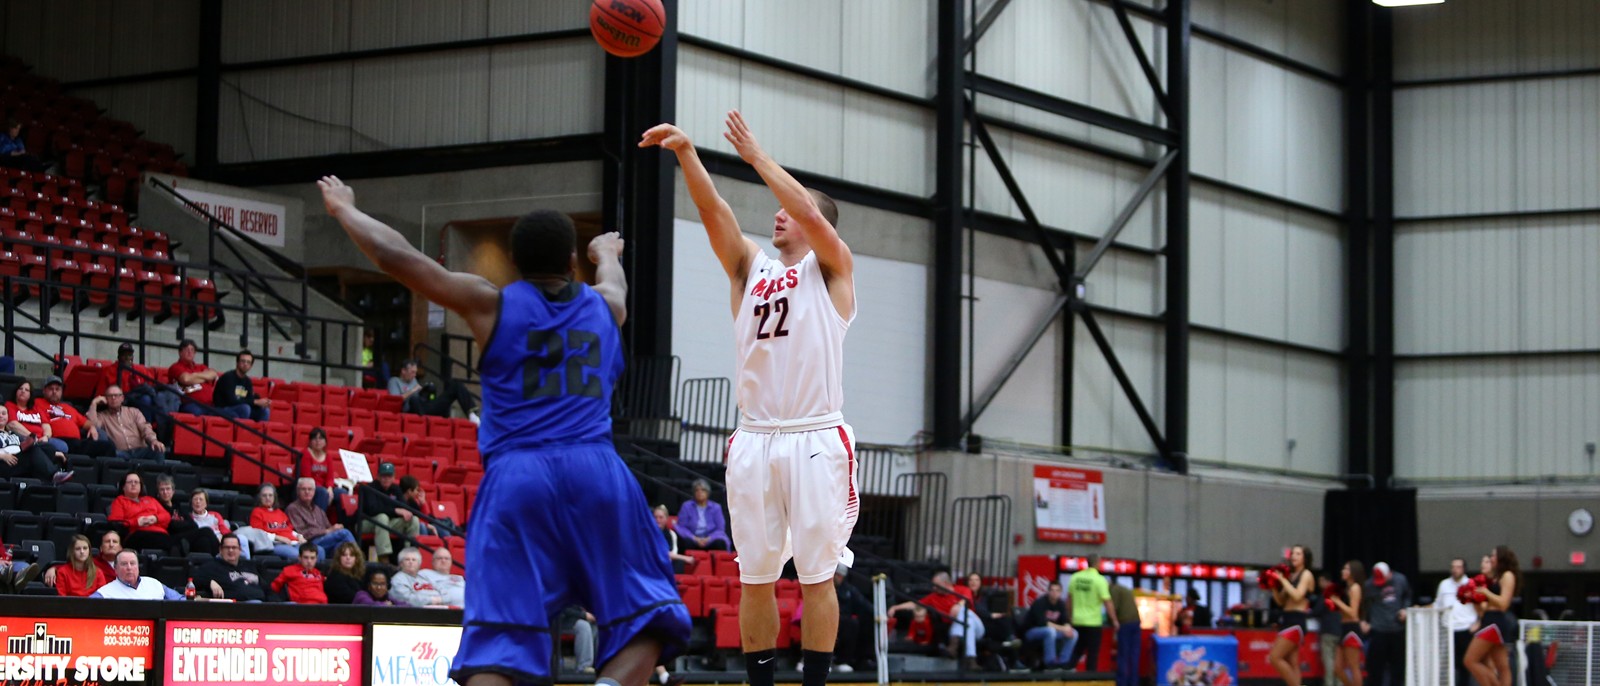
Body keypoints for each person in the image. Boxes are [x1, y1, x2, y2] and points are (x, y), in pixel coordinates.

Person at [320, 174, 689, 685]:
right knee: (648, 614)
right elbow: (614, 283)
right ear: (570, 264)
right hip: (596, 470)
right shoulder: (606, 308)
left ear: (514, 265)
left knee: (498, 642)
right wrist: (607, 252)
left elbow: (398, 257)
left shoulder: (491, 303)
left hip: (518, 476)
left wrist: (344, 209)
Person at [642, 111, 858, 686]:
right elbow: (716, 214)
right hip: (754, 436)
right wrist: (689, 154)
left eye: (791, 207)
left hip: (814, 435)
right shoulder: (750, 269)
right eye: (778, 205)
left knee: (816, 577)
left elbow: (810, 212)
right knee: (754, 577)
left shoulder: (833, 269)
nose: (779, 212)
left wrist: (759, 157)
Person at [1464, 546, 1518, 686]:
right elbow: (1484, 608)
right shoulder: (1495, 577)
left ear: (1501, 557)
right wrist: (1474, 599)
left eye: (1493, 556)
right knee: (1502, 666)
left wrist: (1485, 593)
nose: (1491, 558)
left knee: (1470, 660)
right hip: (1489, 619)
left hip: (1495, 622)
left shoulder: (1508, 575)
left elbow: (1504, 603)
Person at [1267, 546, 1314, 686]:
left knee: (1274, 657)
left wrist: (1282, 580)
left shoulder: (1306, 574)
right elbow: (1281, 601)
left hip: (1296, 620)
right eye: (1293, 553)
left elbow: (1297, 595)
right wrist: (1274, 586)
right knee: (1292, 663)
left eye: (1298, 554)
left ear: (1305, 558)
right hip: (1287, 619)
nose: (1294, 556)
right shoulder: (1290, 576)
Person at [39, 375, 116, 457]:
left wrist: (92, 427)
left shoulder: (68, 407)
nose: (54, 392)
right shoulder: (37, 403)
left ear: (61, 392)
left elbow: (86, 422)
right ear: (44, 391)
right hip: (56, 440)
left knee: (108, 447)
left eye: (57, 389)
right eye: (51, 389)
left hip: (77, 443)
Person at [1066, 555, 1119, 671]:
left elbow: (1069, 599)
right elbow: (1107, 602)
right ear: (1098, 563)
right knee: (1092, 653)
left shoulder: (1075, 577)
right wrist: (1114, 621)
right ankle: (1090, 679)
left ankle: (1067, 676)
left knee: (1077, 650)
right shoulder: (1100, 580)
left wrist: (1069, 617)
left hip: (1077, 621)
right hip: (1093, 623)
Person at [1362, 562, 1411, 686]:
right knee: (1375, 669)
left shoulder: (1400, 580)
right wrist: (1364, 620)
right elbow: (1363, 604)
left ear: (1389, 573)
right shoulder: (1369, 585)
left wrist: (1405, 609)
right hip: (1378, 629)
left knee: (1398, 668)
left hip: (1397, 628)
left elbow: (1408, 595)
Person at [359, 462, 420, 563]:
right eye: (383, 476)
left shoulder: (396, 489)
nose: (386, 478)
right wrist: (394, 510)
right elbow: (372, 509)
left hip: (387, 523)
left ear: (393, 477)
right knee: (382, 517)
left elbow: (403, 507)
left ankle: (410, 554)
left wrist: (399, 510)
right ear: (378, 476)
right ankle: (384, 558)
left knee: (414, 520)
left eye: (389, 476)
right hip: (365, 522)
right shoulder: (370, 488)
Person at [87, 385, 166, 461]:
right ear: (105, 399)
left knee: (158, 450)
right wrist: (94, 404)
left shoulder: (133, 411)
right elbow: (92, 425)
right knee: (110, 454)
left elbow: (145, 428)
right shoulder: (102, 416)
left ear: (122, 398)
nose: (113, 398)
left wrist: (153, 440)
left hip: (140, 450)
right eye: (110, 396)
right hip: (120, 453)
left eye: (116, 395)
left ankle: (161, 475)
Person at [286, 477, 357, 558]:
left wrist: (335, 528)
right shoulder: (293, 509)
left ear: (314, 491)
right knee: (344, 533)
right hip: (308, 542)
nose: (307, 492)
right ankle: (359, 560)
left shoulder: (318, 509)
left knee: (341, 545)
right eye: (303, 489)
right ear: (298, 491)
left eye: (310, 489)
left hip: (324, 540)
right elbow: (303, 533)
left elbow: (329, 527)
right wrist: (328, 531)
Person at [0, 405, 72, 483]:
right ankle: (53, 475)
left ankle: (48, 483)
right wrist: (3, 456)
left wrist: (56, 453)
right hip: (4, 463)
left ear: (7, 417)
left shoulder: (13, 434)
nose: (1, 416)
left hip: (18, 460)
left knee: (48, 448)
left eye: (3, 413)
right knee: (34, 450)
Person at [1433, 558, 1477, 686]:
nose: (1455, 570)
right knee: (1448, 664)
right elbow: (1437, 604)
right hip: (1448, 629)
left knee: (1466, 664)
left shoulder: (1471, 584)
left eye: (1458, 567)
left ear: (1463, 569)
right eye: (1453, 567)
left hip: (1466, 628)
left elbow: (1481, 606)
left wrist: (1477, 623)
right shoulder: (1444, 584)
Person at [388, 360, 478, 421]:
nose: (415, 375)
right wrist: (413, 390)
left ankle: (472, 414)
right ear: (403, 371)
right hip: (411, 409)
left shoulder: (414, 381)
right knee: (414, 400)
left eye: (415, 372)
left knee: (456, 386)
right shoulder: (394, 381)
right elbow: (395, 401)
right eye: (412, 372)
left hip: (425, 407)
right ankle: (426, 422)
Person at [154, 475, 217, 555]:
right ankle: (219, 558)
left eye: (168, 489)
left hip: (185, 538)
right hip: (171, 538)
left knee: (204, 542)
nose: (165, 492)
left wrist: (180, 525)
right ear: (158, 492)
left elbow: (193, 525)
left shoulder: (177, 505)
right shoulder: (157, 505)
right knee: (206, 531)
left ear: (173, 491)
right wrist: (184, 525)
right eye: (162, 489)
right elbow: (171, 526)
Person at [110, 472, 173, 552]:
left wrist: (155, 518)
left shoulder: (150, 499)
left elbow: (166, 516)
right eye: (130, 482)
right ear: (123, 487)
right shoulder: (119, 501)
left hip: (160, 534)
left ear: (141, 486)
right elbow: (116, 524)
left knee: (172, 541)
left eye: (136, 482)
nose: (133, 484)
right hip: (137, 534)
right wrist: (136, 522)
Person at [193, 534, 266, 602]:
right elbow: (194, 580)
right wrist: (210, 582)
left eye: (234, 547)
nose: (231, 550)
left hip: (261, 604)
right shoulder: (212, 566)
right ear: (220, 550)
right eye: (227, 547)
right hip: (234, 608)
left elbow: (267, 589)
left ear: (240, 550)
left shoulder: (249, 566)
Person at [1329, 561, 1367, 686]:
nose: (1343, 571)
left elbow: (1353, 612)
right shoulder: (1347, 588)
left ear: (1353, 572)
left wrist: (1337, 601)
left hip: (1352, 629)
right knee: (1337, 668)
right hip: (1344, 627)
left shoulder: (1355, 587)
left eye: (1346, 569)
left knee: (1353, 666)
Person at [1024, 581, 1077, 669]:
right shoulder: (1040, 602)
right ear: (1048, 591)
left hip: (1052, 631)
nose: (1054, 593)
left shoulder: (1061, 604)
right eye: (1052, 590)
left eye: (1057, 591)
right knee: (1050, 631)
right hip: (1032, 631)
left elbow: (1066, 621)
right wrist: (1062, 628)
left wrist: (1067, 628)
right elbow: (1042, 623)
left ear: (1060, 593)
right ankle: (1050, 662)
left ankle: (1063, 662)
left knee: (1074, 634)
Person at [7, 380, 69, 455]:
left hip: (41, 439)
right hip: (23, 437)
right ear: (16, 391)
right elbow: (13, 424)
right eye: (20, 389)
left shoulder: (36, 408)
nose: (23, 391)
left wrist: (46, 436)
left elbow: (46, 425)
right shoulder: (10, 405)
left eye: (26, 390)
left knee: (63, 446)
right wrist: (32, 437)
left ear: (30, 394)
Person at [90, 550, 184, 600]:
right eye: (124, 564)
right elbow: (85, 607)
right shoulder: (105, 593)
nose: (129, 567)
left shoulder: (154, 584)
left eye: (132, 563)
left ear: (138, 567)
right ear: (115, 569)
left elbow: (180, 600)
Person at [249, 483, 307, 559]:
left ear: (274, 497)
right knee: (296, 555)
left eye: (270, 495)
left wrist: (299, 536)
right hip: (274, 544)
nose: (267, 498)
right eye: (264, 495)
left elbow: (289, 530)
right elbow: (258, 534)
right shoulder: (257, 512)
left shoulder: (280, 512)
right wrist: (277, 537)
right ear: (259, 498)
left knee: (319, 551)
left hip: (293, 542)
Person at [212, 350, 271, 421]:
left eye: (248, 362)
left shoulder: (247, 381)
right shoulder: (228, 377)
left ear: (251, 366)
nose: (245, 364)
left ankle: (258, 431)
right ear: (237, 362)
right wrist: (255, 402)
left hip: (241, 409)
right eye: (243, 361)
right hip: (224, 409)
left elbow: (249, 399)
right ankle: (242, 431)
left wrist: (260, 402)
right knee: (245, 408)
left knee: (265, 411)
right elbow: (231, 401)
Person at [674, 479, 730, 551]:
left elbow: (720, 529)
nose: (699, 492)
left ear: (708, 493)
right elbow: (681, 527)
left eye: (703, 490)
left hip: (711, 539)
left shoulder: (716, 508)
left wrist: (708, 539)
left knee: (720, 543)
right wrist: (694, 538)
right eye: (697, 490)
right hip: (693, 539)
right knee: (685, 542)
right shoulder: (686, 506)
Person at [168, 339, 219, 415]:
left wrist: (194, 376)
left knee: (230, 415)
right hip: (189, 404)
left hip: (210, 405)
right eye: (186, 349)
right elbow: (186, 379)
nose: (190, 352)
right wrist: (204, 377)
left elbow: (213, 374)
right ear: (180, 352)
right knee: (198, 414)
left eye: (192, 350)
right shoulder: (175, 367)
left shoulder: (201, 366)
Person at [183, 489, 236, 557]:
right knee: (204, 541)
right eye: (195, 499)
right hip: (201, 546)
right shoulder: (188, 518)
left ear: (206, 503)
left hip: (220, 543)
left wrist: (223, 540)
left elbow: (225, 531)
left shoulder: (215, 515)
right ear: (191, 503)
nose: (198, 502)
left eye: (201, 499)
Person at [298, 428, 340, 510]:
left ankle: (341, 522)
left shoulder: (327, 456)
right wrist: (326, 490)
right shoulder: (306, 453)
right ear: (310, 441)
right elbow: (307, 477)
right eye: (315, 438)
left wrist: (330, 488)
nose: (318, 441)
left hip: (324, 487)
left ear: (325, 442)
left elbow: (329, 477)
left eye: (321, 438)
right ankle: (319, 521)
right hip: (310, 486)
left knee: (341, 493)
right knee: (322, 493)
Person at [1110, 583, 1141, 686]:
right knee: (1134, 655)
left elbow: (1113, 608)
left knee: (1123, 655)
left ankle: (1122, 683)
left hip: (1125, 624)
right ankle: (1133, 682)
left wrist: (1111, 620)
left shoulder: (1113, 591)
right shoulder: (1124, 589)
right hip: (1136, 623)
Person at [654, 504, 696, 573]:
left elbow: (673, 553)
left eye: (661, 517)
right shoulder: (647, 534)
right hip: (652, 561)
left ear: (666, 519)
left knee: (678, 562)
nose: (657, 520)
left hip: (667, 561)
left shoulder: (672, 534)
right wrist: (685, 558)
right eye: (655, 517)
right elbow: (660, 553)